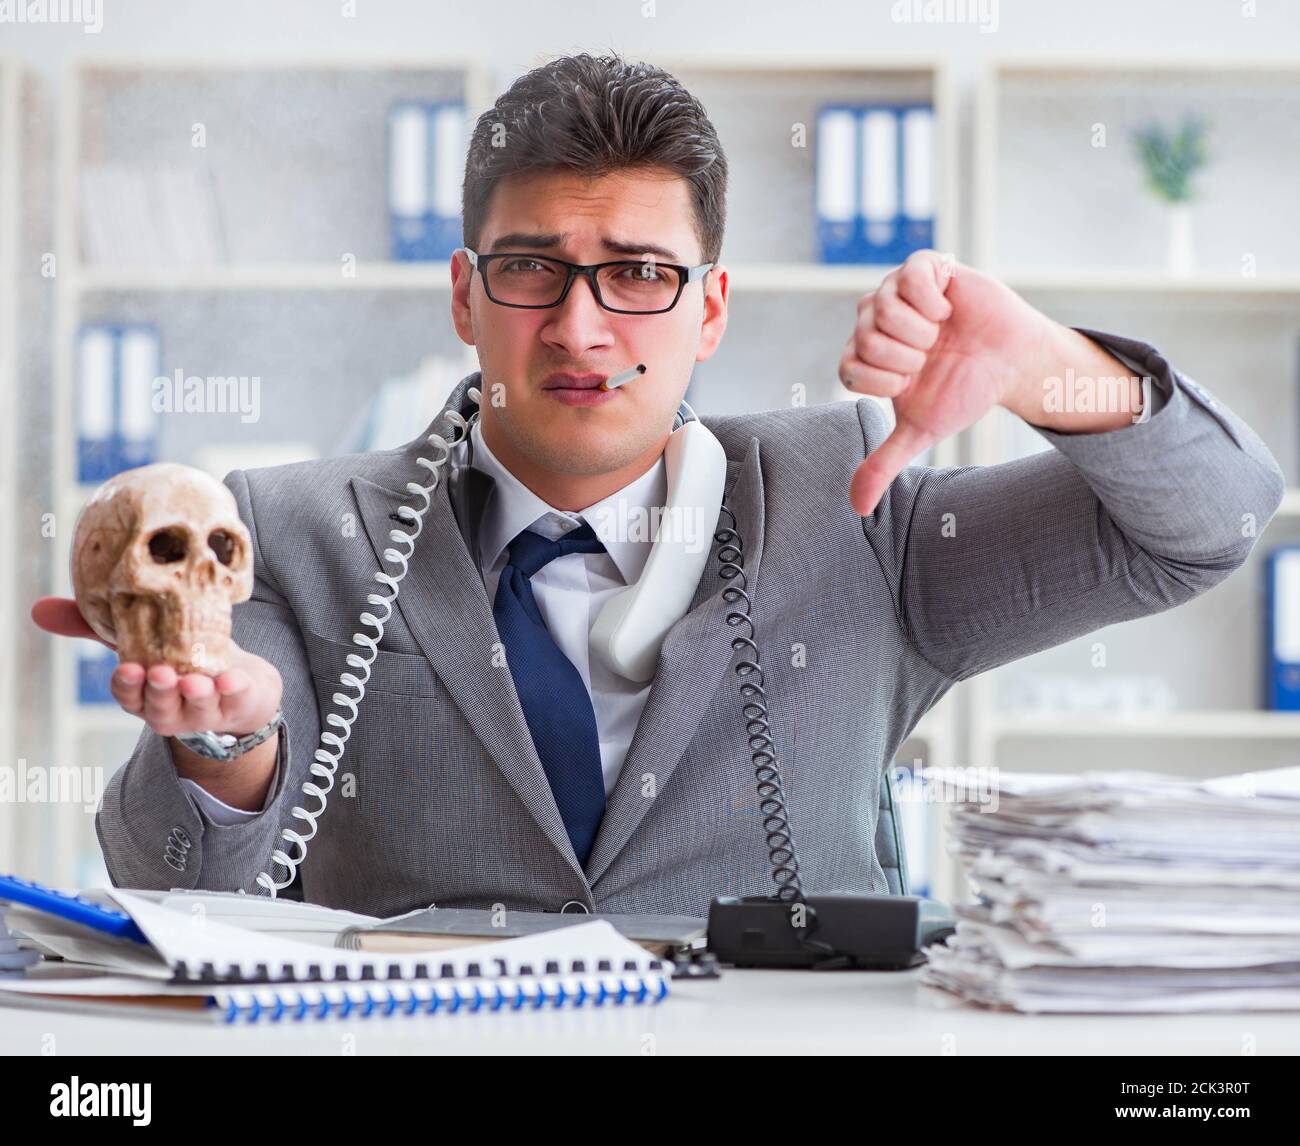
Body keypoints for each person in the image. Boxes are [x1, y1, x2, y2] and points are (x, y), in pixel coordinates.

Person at [33, 53, 1284, 917]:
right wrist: (224, 741)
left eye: (638, 272)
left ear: (712, 308)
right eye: (533, 268)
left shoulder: (854, 509)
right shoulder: (285, 530)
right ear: (465, 294)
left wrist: (1050, 370)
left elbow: (1208, 523)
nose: (581, 329)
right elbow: (171, 886)